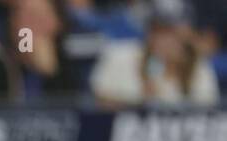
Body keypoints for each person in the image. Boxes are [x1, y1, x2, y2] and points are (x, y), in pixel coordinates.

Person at [90, 0, 218, 107]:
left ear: (185, 34)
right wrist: (143, 102)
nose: (164, 40)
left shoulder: (198, 66)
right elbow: (99, 105)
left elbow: (208, 112)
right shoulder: (119, 55)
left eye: (171, 32)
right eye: (158, 31)